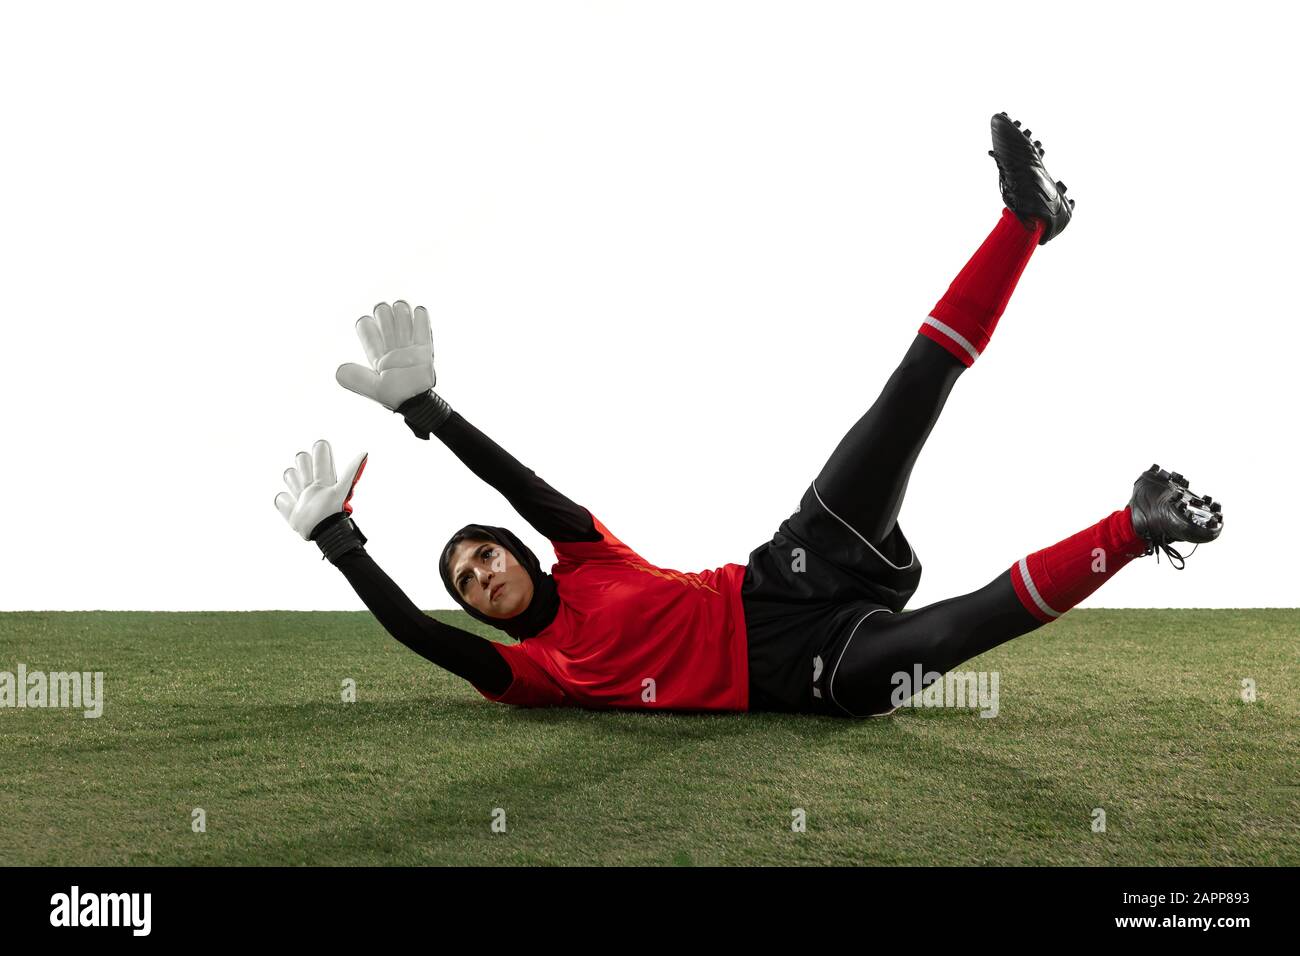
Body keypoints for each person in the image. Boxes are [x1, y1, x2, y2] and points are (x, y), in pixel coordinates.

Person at [274, 112, 1223, 718]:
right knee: (950, 634)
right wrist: (339, 538)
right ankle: (1141, 524)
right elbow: (415, 633)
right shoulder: (538, 674)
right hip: (795, 670)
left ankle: (1026, 222)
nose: (481, 576)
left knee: (904, 403)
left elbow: (516, 484)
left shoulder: (588, 554)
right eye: (466, 580)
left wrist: (429, 411)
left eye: (484, 554)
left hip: (780, 577)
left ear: (521, 552)